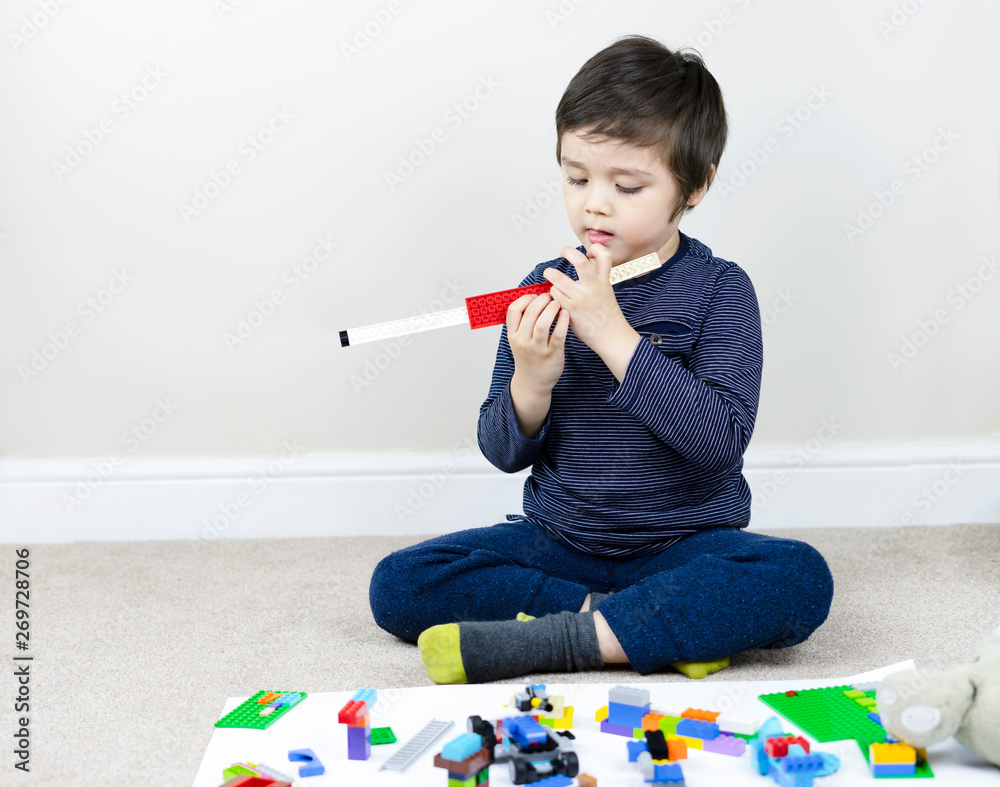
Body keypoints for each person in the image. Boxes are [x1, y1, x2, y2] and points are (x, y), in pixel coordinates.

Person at [369, 34, 834, 684]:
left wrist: (614, 335)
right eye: (576, 176)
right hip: (560, 545)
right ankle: (630, 626)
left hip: (685, 547)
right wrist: (531, 380)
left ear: (695, 185)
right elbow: (503, 451)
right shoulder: (543, 282)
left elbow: (720, 442)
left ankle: (559, 637)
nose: (594, 202)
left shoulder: (721, 289)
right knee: (400, 583)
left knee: (800, 578)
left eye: (628, 184)